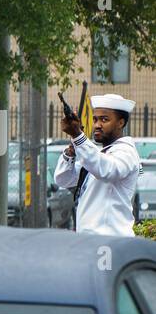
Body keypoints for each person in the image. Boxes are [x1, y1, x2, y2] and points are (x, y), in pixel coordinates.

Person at [55, 94, 140, 236]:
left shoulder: (126, 152)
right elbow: (63, 180)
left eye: (104, 120)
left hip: (110, 241)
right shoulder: (100, 153)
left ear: (121, 123)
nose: (97, 125)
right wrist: (71, 151)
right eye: (95, 119)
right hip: (91, 241)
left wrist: (78, 136)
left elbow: (106, 170)